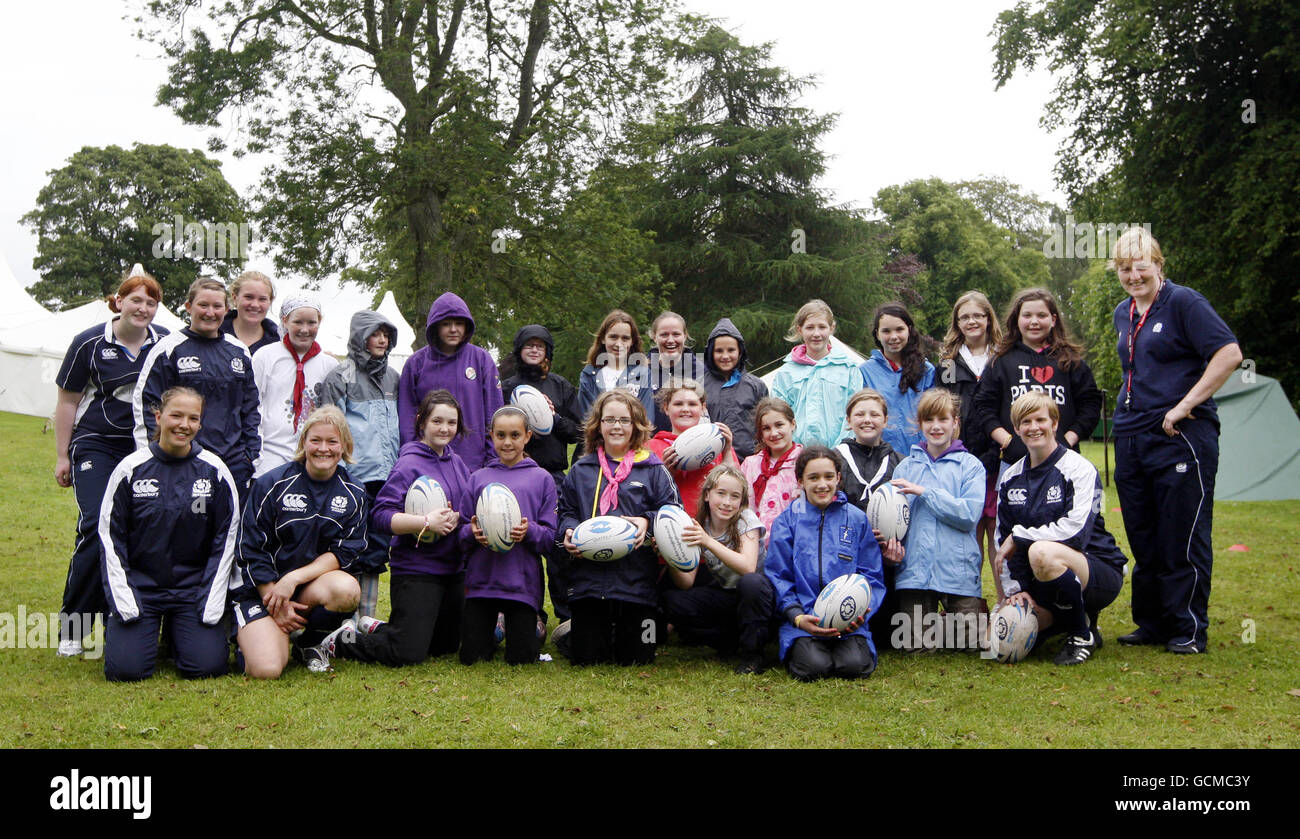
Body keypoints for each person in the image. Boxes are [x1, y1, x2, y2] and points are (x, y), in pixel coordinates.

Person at [1108, 228, 1241, 654]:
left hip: (1180, 434)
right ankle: (1152, 623)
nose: (1133, 275)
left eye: (1141, 265)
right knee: (1143, 533)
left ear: (1159, 264)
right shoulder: (1122, 312)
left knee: (1181, 533)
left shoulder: (1184, 302)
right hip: (1132, 434)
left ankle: (1187, 629)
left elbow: (1229, 354)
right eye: (1124, 268)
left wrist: (1184, 405)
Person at [53, 264, 168, 656]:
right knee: (95, 526)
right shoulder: (88, 343)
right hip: (96, 445)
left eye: (151, 302)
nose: (143, 308)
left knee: (139, 532)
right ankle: (74, 628)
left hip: (146, 450)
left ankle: (129, 621)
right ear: (118, 302)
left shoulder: (165, 342)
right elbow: (67, 402)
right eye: (136, 299)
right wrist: (61, 456)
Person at [312, 390, 471, 668]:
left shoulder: (456, 462)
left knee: (444, 646)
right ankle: (344, 639)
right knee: (407, 653)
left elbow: (465, 506)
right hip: (417, 571)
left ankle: (380, 627)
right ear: (421, 422)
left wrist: (461, 517)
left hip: (453, 570)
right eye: (437, 421)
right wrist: (425, 523)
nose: (445, 429)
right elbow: (381, 516)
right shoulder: (409, 463)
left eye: (451, 422)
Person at [99, 387, 239, 681]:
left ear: (200, 424)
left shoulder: (215, 472)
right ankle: (140, 631)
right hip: (141, 590)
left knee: (206, 667)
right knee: (126, 671)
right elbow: (110, 539)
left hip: (192, 591)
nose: (184, 425)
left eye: (193, 418)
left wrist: (209, 603)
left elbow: (225, 542)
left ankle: (179, 633)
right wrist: (126, 602)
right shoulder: (129, 470)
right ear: (159, 417)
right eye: (176, 415)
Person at [993, 392, 1129, 665]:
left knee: (1042, 552)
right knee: (999, 645)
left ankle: (1081, 634)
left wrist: (1021, 537)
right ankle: (1073, 620)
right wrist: (1015, 590)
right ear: (1017, 429)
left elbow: (1075, 534)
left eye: (1041, 419)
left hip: (1096, 569)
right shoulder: (1010, 477)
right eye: (1026, 421)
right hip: (1040, 577)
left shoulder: (1079, 468)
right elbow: (1001, 541)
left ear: (1054, 423)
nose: (1034, 427)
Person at [233, 406, 365, 677]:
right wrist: (275, 601)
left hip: (303, 590)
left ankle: (309, 642)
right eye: (315, 440)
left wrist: (292, 580)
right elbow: (250, 549)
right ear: (304, 442)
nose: (323, 449)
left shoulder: (355, 492)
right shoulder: (272, 484)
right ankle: (245, 635)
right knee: (266, 669)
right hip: (263, 591)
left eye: (332, 441)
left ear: (345, 446)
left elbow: (344, 553)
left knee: (346, 589)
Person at [557, 390, 679, 666]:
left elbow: (674, 512)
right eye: (609, 419)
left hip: (637, 586)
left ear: (636, 425)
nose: (616, 426)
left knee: (639, 657)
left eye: (624, 420)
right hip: (589, 584)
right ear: (597, 424)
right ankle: (575, 630)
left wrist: (648, 520)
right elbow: (566, 511)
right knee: (588, 659)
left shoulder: (653, 468)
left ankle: (645, 627)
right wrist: (569, 530)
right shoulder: (582, 469)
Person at [764, 446, 885, 681]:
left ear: (838, 478)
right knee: (814, 668)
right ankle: (806, 647)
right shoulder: (787, 522)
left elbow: (872, 575)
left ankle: (848, 645)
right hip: (804, 622)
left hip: (849, 621)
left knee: (853, 666)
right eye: (813, 477)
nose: (822, 484)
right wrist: (797, 616)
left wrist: (859, 614)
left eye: (829, 476)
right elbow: (778, 575)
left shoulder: (856, 519)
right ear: (800, 481)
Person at [134, 277, 261, 491]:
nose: (210, 312)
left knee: (229, 524)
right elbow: (146, 405)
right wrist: (152, 457)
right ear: (188, 307)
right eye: (203, 305)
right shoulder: (168, 350)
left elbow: (252, 409)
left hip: (233, 464)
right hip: (181, 461)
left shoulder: (239, 351)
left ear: (227, 309)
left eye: (217, 306)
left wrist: (250, 458)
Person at [888, 389, 987, 653]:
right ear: (919, 424)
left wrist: (924, 492)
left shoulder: (971, 466)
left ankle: (948, 623)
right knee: (915, 648)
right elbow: (894, 518)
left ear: (955, 422)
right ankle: (935, 627)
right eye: (929, 419)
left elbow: (967, 516)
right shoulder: (905, 467)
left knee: (971, 646)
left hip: (958, 572)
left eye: (943, 419)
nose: (936, 426)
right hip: (915, 574)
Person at [319, 310, 402, 621]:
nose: (381, 340)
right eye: (375, 333)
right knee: (350, 546)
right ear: (359, 336)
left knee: (379, 547)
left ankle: (366, 616)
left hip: (388, 477)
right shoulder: (340, 377)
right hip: (352, 477)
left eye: (386, 334)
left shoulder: (394, 377)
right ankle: (342, 616)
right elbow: (330, 426)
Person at [971, 288, 1102, 483]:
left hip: (1064, 463)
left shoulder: (1071, 361)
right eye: (1027, 315)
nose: (1034, 321)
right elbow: (983, 407)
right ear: (1017, 319)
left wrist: (1069, 439)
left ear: (1053, 319)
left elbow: (1090, 405)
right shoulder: (999, 362)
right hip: (1014, 463)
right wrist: (1008, 441)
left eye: (1041, 315)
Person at [460, 407, 557, 665]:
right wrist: (472, 532)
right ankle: (495, 628)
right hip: (482, 582)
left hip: (521, 584)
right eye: (500, 435)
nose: (507, 442)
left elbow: (550, 538)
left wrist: (529, 531)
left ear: (527, 436)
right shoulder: (478, 478)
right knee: (472, 657)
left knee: (522, 659)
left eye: (515, 435)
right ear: (491, 436)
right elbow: (460, 530)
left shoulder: (542, 479)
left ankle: (530, 626)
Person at [499, 324, 583, 624]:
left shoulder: (561, 387)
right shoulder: (505, 387)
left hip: (553, 477)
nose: (534, 350)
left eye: (540, 345)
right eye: (528, 345)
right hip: (513, 476)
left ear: (548, 351)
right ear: (519, 349)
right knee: (519, 547)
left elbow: (579, 432)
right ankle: (527, 616)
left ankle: (567, 618)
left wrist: (553, 417)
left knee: (559, 549)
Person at [661, 464, 775, 674]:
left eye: (734, 496)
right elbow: (686, 582)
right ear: (707, 495)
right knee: (672, 601)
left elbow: (748, 567)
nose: (727, 502)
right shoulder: (700, 524)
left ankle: (753, 654)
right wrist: (670, 554)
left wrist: (708, 542)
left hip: (758, 598)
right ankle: (726, 642)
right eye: (720, 493)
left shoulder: (746, 519)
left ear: (742, 501)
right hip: (727, 595)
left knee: (751, 583)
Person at [936, 291, 1002, 580]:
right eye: (965, 317)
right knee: (968, 534)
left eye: (978, 315)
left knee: (997, 534)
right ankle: (969, 599)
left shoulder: (1004, 356)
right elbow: (940, 407)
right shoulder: (947, 364)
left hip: (1000, 457)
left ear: (989, 319)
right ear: (957, 323)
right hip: (963, 460)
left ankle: (1005, 601)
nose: (972, 321)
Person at [397, 292, 502, 471]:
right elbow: (407, 418)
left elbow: (495, 414)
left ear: (467, 326)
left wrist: (492, 459)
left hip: (475, 464)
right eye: (446, 324)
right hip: (429, 464)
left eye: (459, 323)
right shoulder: (416, 364)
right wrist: (414, 457)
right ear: (435, 326)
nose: (453, 329)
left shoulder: (481, 359)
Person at [835, 388, 906, 650]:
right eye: (860, 414)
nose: (868, 420)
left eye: (875, 414)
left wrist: (896, 546)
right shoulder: (835, 459)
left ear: (885, 421)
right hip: (844, 554)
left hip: (886, 558)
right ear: (849, 420)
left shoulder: (900, 462)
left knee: (887, 637)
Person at [251, 296, 338, 477]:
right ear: (285, 320)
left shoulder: (329, 365)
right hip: (268, 457)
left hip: (311, 458)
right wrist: (254, 456)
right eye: (297, 322)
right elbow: (252, 406)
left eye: (311, 323)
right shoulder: (265, 357)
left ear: (319, 322)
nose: (304, 330)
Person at [771, 299, 863, 447]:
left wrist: (841, 449)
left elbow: (856, 411)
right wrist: (794, 449)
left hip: (841, 452)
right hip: (797, 455)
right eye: (810, 328)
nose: (816, 333)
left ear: (831, 328)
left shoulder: (849, 369)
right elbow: (778, 415)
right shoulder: (786, 372)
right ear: (800, 329)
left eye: (822, 327)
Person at [645, 378, 739, 514]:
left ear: (703, 408)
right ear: (666, 408)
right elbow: (645, 494)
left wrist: (727, 451)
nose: (685, 409)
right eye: (678, 404)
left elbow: (737, 486)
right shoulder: (650, 447)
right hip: (672, 526)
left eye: (692, 404)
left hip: (712, 527)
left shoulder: (719, 443)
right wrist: (667, 474)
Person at [859, 303, 936, 454]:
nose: (894, 336)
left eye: (899, 329)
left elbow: (933, 415)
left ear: (909, 330)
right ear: (877, 334)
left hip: (920, 455)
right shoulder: (864, 372)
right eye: (886, 331)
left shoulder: (926, 370)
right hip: (878, 456)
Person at [698, 317, 768, 460]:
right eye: (719, 351)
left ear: (740, 352)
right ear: (711, 353)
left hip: (749, 461)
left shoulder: (756, 386)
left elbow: (765, 424)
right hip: (709, 460)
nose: (725, 356)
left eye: (731, 350)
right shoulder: (698, 385)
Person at [739, 397, 802, 544]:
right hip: (756, 547)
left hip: (793, 544)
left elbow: (807, 509)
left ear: (792, 424)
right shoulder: (751, 465)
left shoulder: (805, 462)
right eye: (766, 428)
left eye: (779, 425)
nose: (773, 433)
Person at [576, 309, 655, 423]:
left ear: (632, 341)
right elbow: (586, 418)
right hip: (598, 439)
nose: (619, 344)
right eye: (613, 337)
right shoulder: (589, 374)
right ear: (603, 338)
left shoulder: (642, 373)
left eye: (625, 338)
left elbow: (646, 418)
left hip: (635, 439)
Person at [646, 311, 707, 432]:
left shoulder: (700, 371)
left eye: (676, 334)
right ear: (654, 336)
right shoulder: (642, 371)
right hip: (649, 446)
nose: (670, 340)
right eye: (664, 335)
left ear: (685, 336)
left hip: (690, 444)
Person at [221, 270, 280, 354]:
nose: (255, 305)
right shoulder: (213, 334)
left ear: (270, 302)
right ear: (235, 298)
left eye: (262, 299)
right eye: (248, 297)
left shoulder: (279, 343)